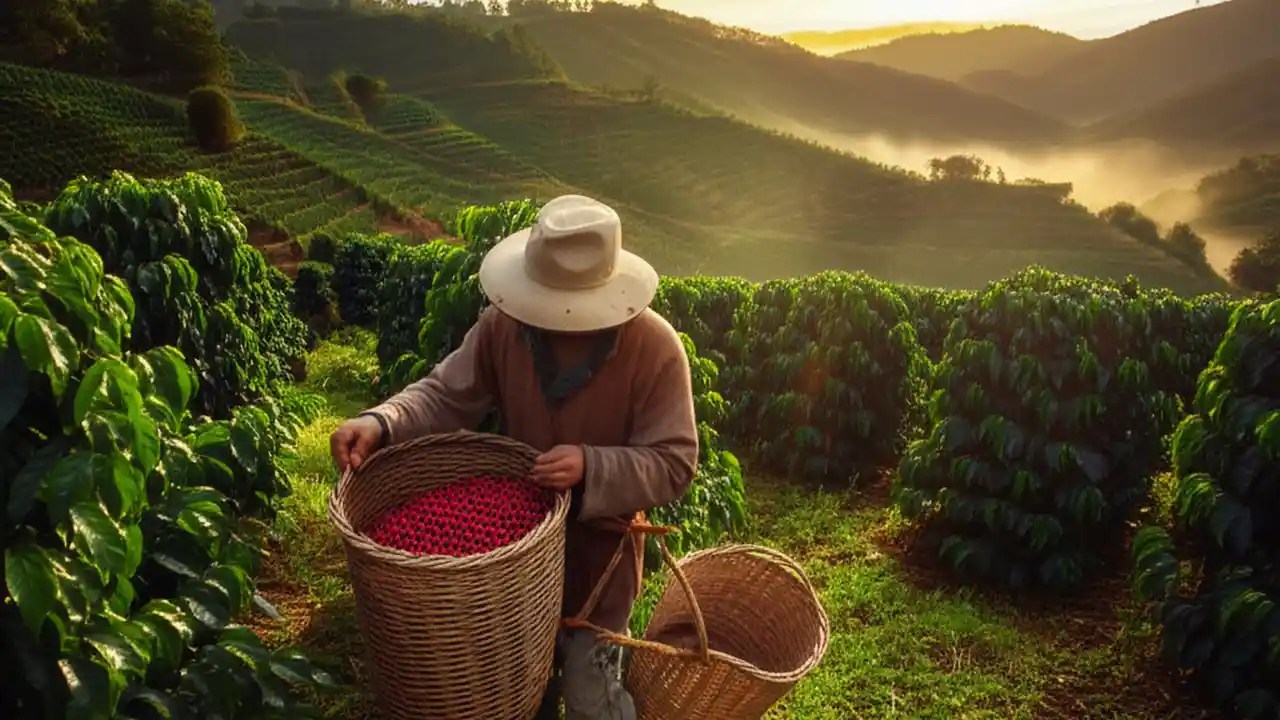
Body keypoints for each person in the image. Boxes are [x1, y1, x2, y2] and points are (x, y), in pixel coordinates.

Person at [330, 194, 699, 720]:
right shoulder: (505, 328)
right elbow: (445, 394)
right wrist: (381, 421)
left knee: (590, 686)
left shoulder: (654, 348)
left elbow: (675, 461)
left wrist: (592, 466)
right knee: (520, 689)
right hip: (512, 564)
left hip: (599, 564)